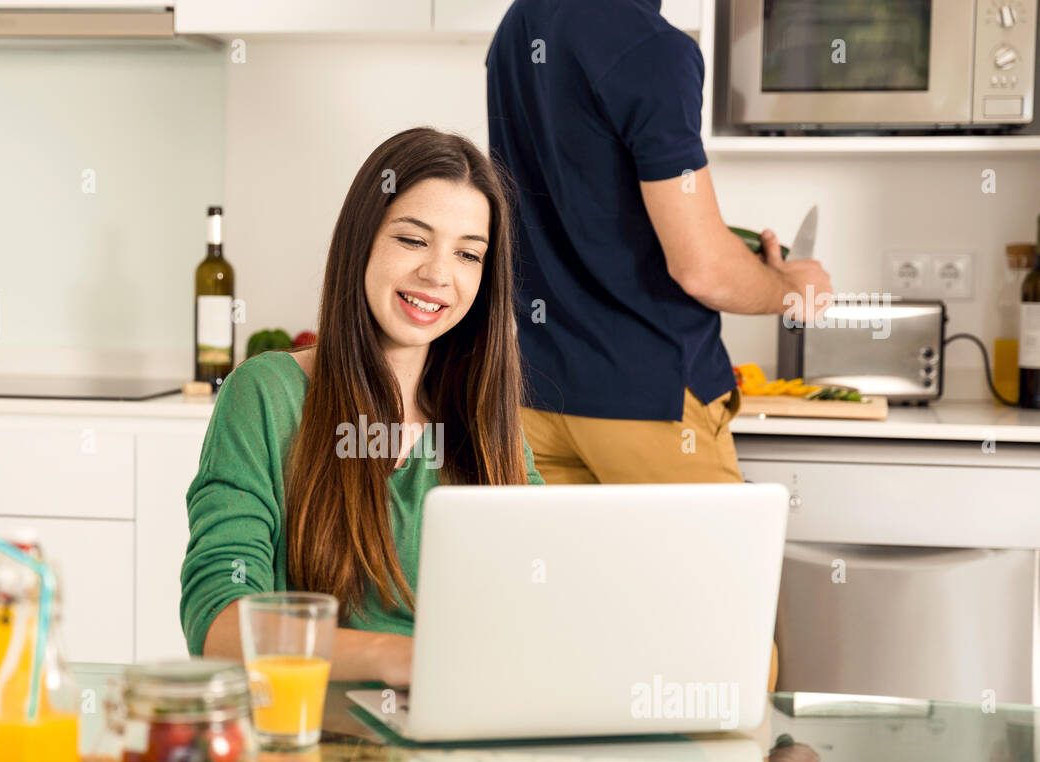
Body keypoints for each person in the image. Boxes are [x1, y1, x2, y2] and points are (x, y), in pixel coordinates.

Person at [488, 0, 834, 689]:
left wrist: (744, 260)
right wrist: (788, 290)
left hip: (532, 400)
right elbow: (698, 266)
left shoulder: (519, 26)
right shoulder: (653, 46)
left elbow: (586, 213)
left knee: (574, 656)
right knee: (720, 655)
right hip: (649, 406)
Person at [180, 127, 543, 686]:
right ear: (363, 240)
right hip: (309, 737)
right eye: (413, 239)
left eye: (468, 253)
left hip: (457, 731)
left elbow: (541, 596)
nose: (438, 274)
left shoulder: (486, 418)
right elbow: (220, 627)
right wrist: (395, 657)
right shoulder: (267, 394)